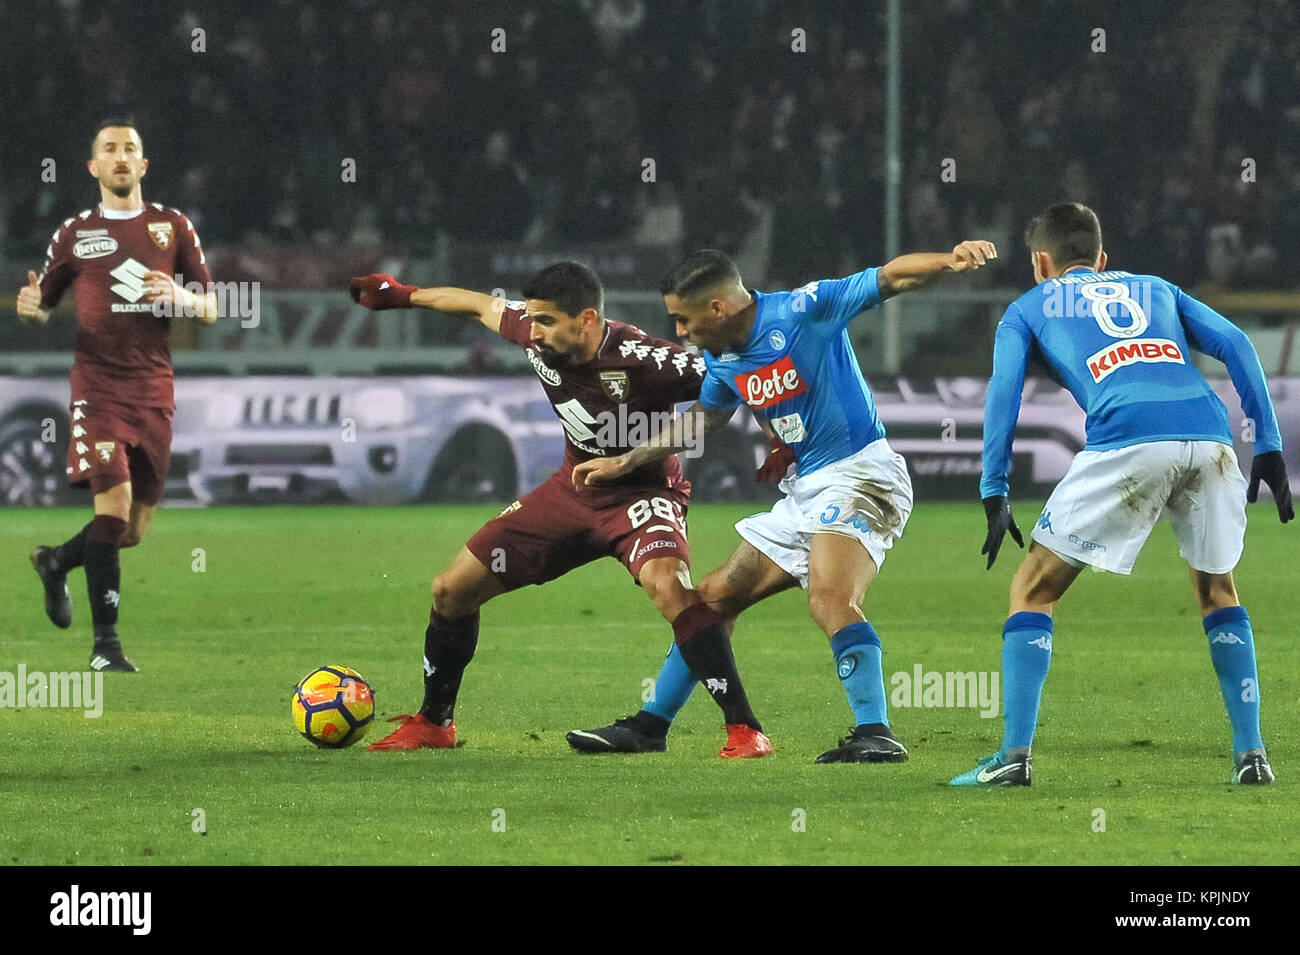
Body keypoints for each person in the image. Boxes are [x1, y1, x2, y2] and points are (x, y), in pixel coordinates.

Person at [571, 241, 997, 762]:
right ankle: (650, 726)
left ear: (718, 308)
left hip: (862, 474)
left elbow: (889, 278)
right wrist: (627, 461)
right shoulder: (720, 356)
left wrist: (948, 263)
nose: (679, 333)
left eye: (683, 320)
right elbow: (708, 417)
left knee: (829, 598)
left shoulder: (804, 310)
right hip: (808, 488)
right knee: (709, 601)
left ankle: (877, 733)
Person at [348, 261, 777, 757]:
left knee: (670, 588)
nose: (533, 332)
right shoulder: (535, 336)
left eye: (547, 321)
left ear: (587, 319)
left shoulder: (649, 360)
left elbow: (740, 377)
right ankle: (434, 722)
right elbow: (476, 304)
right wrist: (402, 295)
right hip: (571, 491)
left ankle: (744, 729)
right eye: (532, 319)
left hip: (644, 495)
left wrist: (776, 435)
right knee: (451, 589)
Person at [951, 202, 1292, 787]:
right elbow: (1236, 342)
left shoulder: (1028, 307)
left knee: (1032, 586)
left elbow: (1003, 394)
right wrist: (1269, 443)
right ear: (1103, 259)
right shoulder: (1155, 286)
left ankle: (1012, 758)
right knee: (1217, 590)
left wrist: (993, 486)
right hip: (1209, 437)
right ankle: (1252, 756)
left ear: (1040, 262)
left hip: (1129, 438)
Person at [19, 117, 218, 672]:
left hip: (154, 391)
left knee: (129, 532)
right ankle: (106, 645)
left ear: (144, 164)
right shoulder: (74, 232)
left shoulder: (172, 226)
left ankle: (57, 560)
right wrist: (31, 309)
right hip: (98, 389)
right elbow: (44, 307)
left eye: (131, 148)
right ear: (94, 166)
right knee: (112, 512)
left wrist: (180, 294)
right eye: (110, 149)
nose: (121, 156)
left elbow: (213, 306)